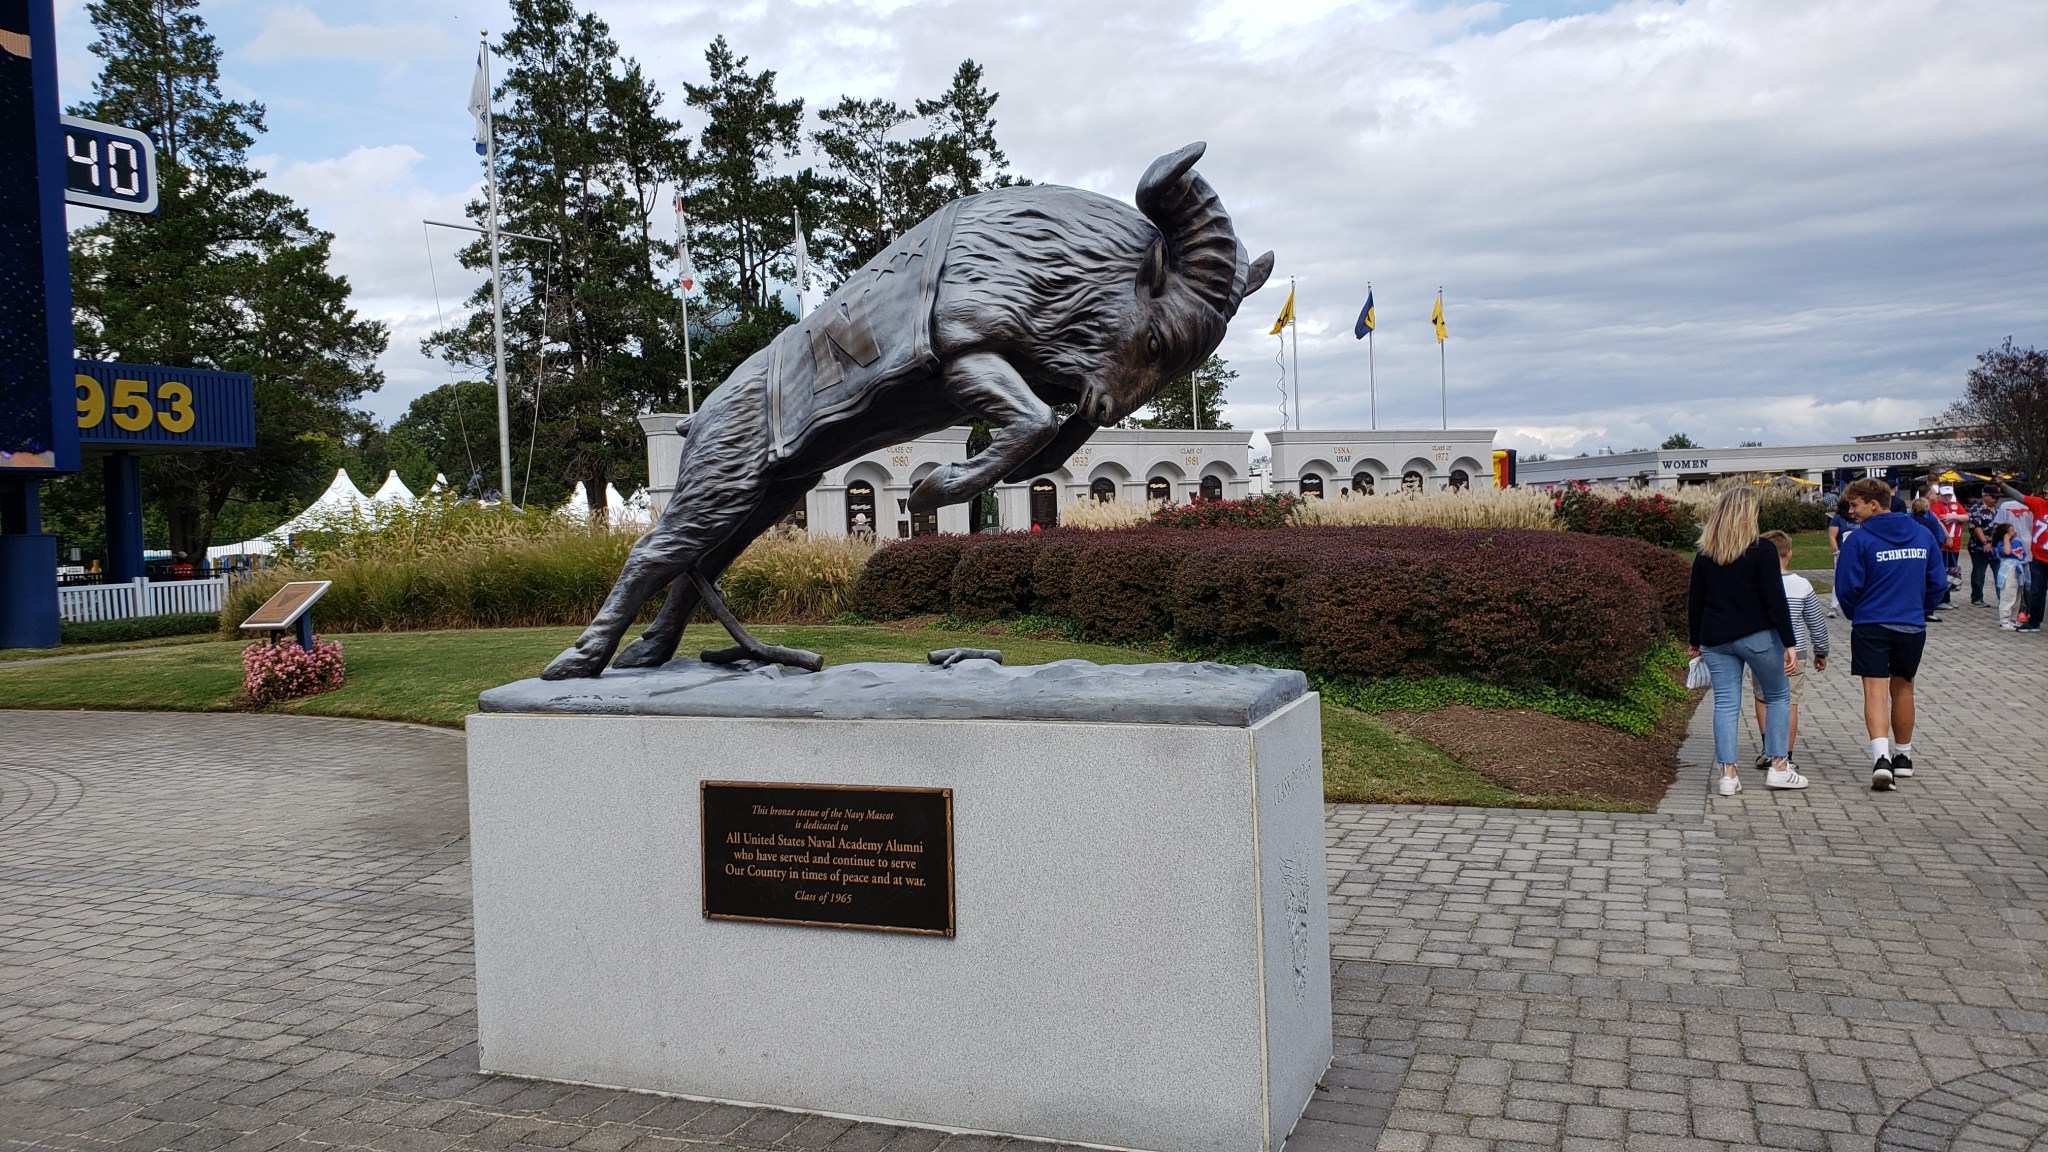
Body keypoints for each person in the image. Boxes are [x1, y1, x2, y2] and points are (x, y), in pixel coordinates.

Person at [1688, 487, 1804, 797]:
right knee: (1778, 693)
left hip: (1715, 638)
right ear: (1749, 514)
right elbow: (1775, 600)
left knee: (1725, 704)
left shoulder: (1705, 552)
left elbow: (1695, 599)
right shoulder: (1762, 550)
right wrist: (1789, 641)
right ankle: (1779, 766)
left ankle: (1728, 775)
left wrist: (1694, 639)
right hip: (1757, 636)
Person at [1834, 477, 1946, 791]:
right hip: (1911, 625)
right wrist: (1919, 609)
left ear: (1873, 504)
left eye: (1855, 505)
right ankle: (1904, 757)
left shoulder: (1858, 540)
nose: (1851, 512)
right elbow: (1937, 582)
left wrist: (1858, 612)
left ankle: (1881, 758)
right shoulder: (1922, 534)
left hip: (1871, 624)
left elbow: (1846, 587)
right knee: (1904, 689)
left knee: (1874, 691)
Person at [1751, 530, 1828, 769]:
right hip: (1795, 653)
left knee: (1763, 698)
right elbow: (1815, 621)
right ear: (1790, 554)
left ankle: (1767, 747)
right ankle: (1786, 753)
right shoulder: (1802, 585)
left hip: (1762, 650)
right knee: (1790, 702)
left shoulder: (1754, 584)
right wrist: (1821, 650)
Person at [1999, 479, 2047, 632]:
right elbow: (2019, 496)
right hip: (2039, 558)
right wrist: (2002, 485)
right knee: (2036, 591)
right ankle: (2034, 621)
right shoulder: (2039, 504)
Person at [1909, 498, 1947, 622]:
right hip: (1927, 556)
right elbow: (1937, 541)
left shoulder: (1909, 522)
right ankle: (1927, 610)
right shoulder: (1931, 524)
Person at [1929, 485, 1968, 604]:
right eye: (1944, 495)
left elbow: (1966, 516)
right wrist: (1947, 536)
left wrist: (1954, 517)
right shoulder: (1935, 507)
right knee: (1944, 570)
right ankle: (1942, 598)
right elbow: (1940, 520)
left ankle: (1948, 596)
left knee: (1952, 571)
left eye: (1949, 495)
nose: (1947, 498)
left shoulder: (1955, 505)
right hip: (1944, 545)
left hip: (1956, 545)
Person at [1993, 519, 2031, 630]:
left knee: (2017, 595)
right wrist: (2006, 539)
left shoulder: (2018, 542)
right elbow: (2007, 552)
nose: (2014, 532)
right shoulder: (2002, 544)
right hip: (2008, 569)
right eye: (2011, 531)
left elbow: (2022, 555)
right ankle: (2004, 620)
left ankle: (2013, 619)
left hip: (2018, 569)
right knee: (2008, 594)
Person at [1968, 486, 2001, 604]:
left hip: (1996, 547)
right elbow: (1976, 527)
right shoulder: (1977, 509)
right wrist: (1985, 542)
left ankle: (2002, 598)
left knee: (1999, 572)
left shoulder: (1997, 510)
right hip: (1979, 546)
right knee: (1979, 572)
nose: (1996, 500)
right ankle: (1977, 598)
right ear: (1985, 496)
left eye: (1998, 498)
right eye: (1994, 497)